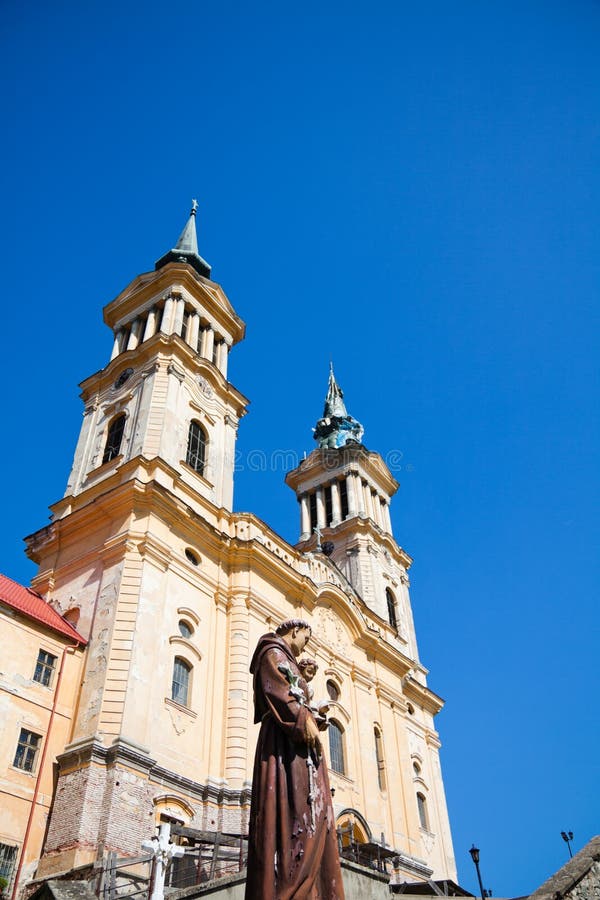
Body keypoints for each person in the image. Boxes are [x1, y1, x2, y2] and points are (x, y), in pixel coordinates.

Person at [245, 619, 345, 900]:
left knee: (312, 818)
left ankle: (311, 890)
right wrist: (303, 718)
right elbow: (277, 690)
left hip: (299, 750)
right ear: (295, 631)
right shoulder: (272, 651)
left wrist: (312, 715)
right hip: (284, 750)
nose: (306, 647)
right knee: (295, 819)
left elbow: (294, 697)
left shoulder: (286, 658)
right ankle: (291, 891)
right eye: (306, 639)